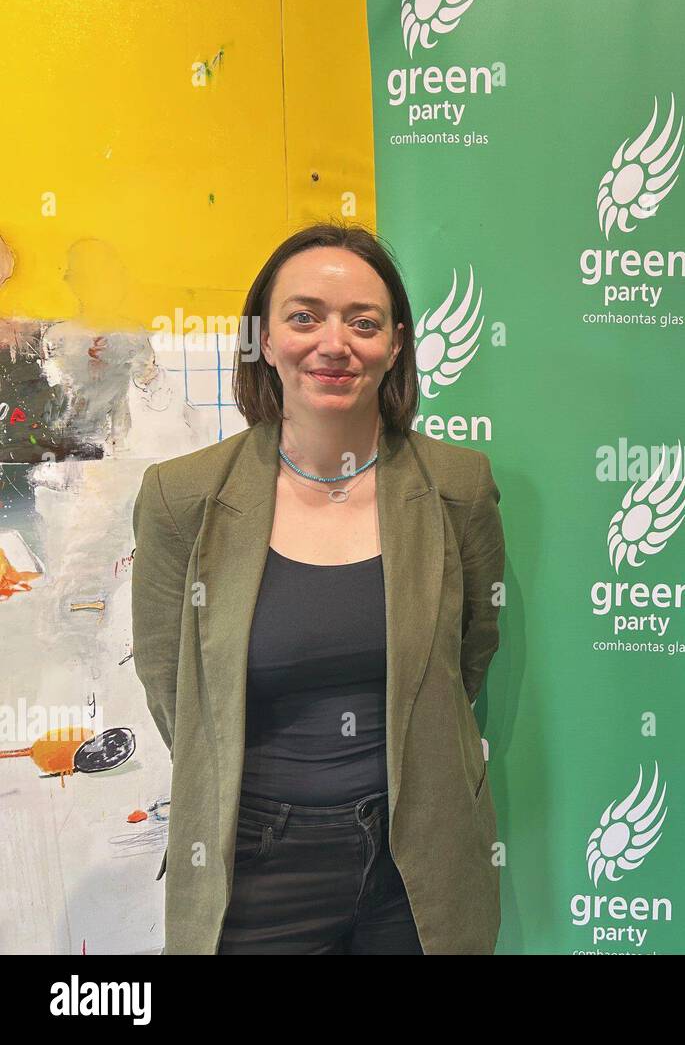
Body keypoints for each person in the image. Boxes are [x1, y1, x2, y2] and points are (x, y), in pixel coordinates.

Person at [131, 222, 504, 953]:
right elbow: (172, 684)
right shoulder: (183, 497)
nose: (334, 342)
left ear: (394, 344)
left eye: (363, 322)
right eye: (304, 316)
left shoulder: (457, 486)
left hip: (419, 858)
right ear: (264, 340)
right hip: (255, 866)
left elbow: (469, 655)